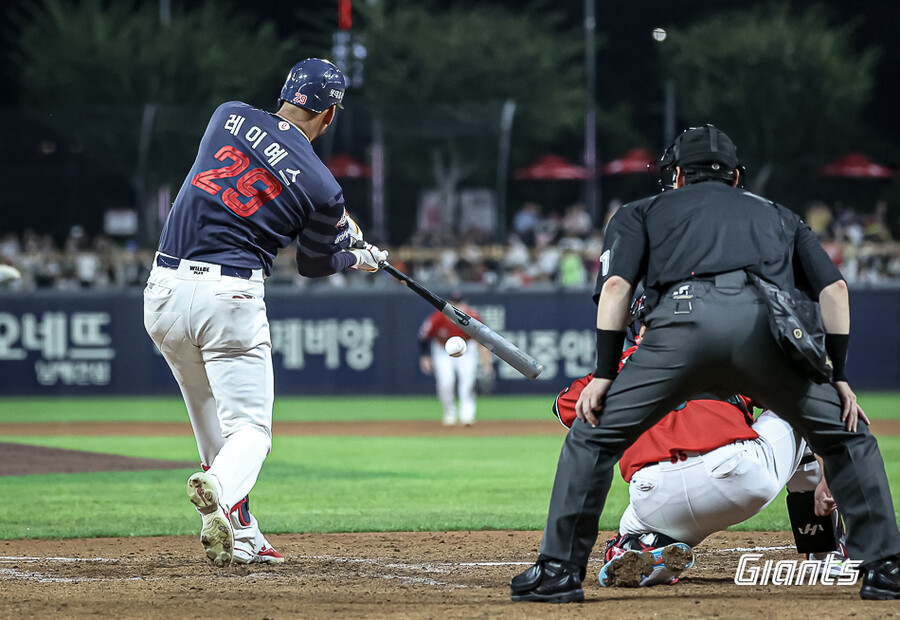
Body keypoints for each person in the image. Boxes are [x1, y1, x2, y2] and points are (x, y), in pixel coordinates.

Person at [509, 125, 900, 603]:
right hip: (766, 331)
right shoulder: (779, 215)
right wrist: (837, 376)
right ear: (736, 176)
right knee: (846, 434)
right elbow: (834, 291)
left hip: (679, 325)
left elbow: (615, 291)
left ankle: (558, 573)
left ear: (674, 176)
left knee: (593, 435)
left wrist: (607, 372)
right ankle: (885, 568)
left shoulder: (639, 213)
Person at [143, 58, 388, 567]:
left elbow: (258, 168)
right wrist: (356, 254)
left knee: (211, 421)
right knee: (251, 431)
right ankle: (217, 487)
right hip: (228, 298)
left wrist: (341, 233)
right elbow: (316, 264)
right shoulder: (324, 186)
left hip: (163, 292)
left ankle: (243, 533)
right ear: (330, 114)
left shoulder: (227, 115)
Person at [553, 326, 849, 587]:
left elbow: (562, 408)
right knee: (794, 408)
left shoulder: (613, 370)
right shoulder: (727, 352)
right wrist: (830, 472)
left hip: (653, 492)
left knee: (632, 531)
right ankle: (827, 554)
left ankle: (637, 547)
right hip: (735, 476)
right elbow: (808, 397)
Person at [418, 292, 494, 426]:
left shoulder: (472, 317)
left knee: (467, 382)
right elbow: (424, 337)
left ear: (465, 304)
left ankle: (467, 416)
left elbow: (483, 341)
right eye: (453, 303)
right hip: (442, 350)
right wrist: (425, 357)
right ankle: (449, 413)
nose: (457, 306)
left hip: (467, 350)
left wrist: (486, 363)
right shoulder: (438, 318)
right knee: (446, 383)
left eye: (459, 303)